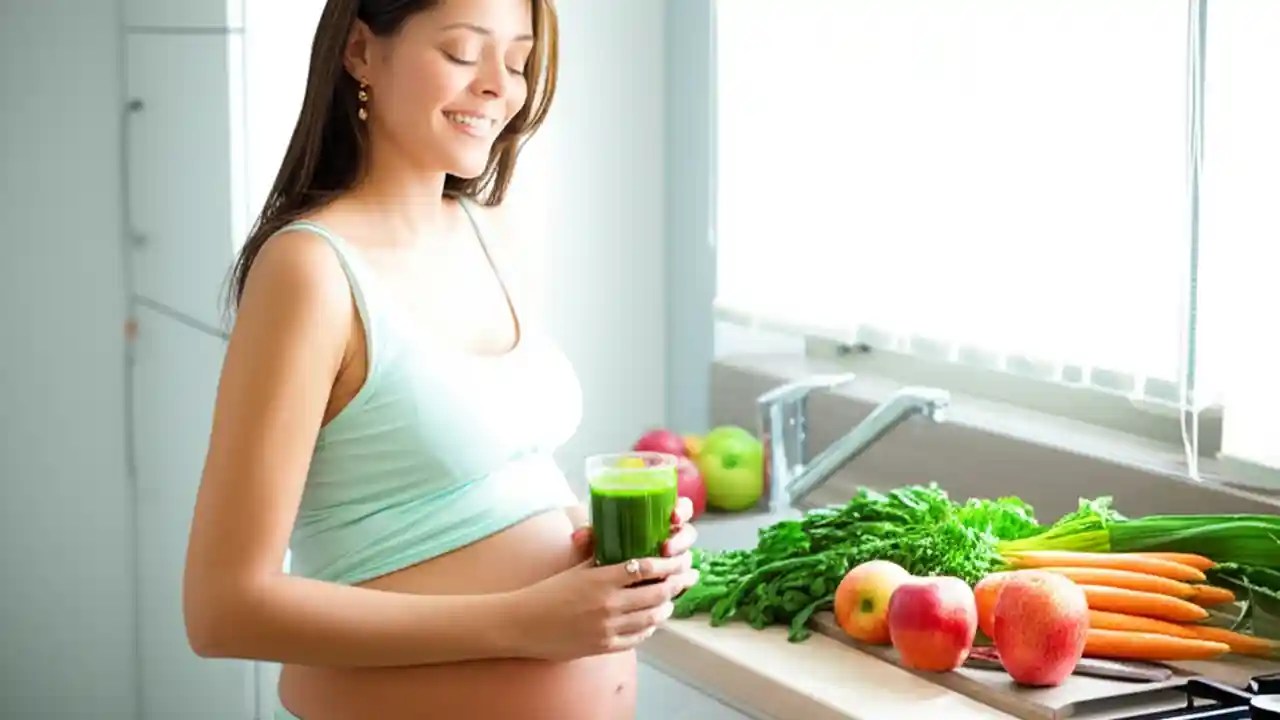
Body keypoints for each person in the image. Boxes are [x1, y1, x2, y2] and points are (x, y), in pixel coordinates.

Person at [181, 0, 700, 718]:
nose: (499, 86)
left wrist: (612, 563)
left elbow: (485, 493)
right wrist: (528, 620)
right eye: (463, 52)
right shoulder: (311, 271)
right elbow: (221, 610)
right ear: (361, 52)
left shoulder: (491, 234)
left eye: (517, 62)